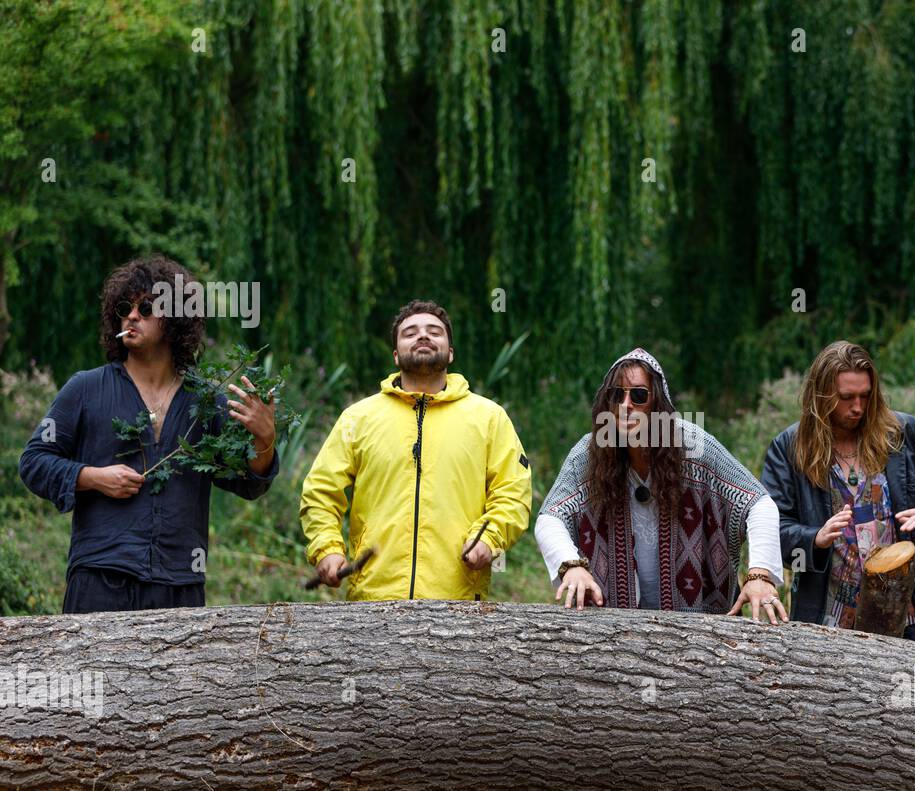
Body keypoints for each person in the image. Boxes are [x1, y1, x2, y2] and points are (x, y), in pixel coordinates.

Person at [19, 255, 279, 613]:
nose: (131, 316)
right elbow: (33, 462)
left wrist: (264, 440)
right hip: (99, 578)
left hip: (180, 584)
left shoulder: (206, 402)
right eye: (123, 308)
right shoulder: (85, 389)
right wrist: (91, 477)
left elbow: (248, 482)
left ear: (175, 318)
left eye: (145, 307)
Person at [760, 341, 915, 642]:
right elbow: (771, 529)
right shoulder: (790, 448)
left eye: (866, 395)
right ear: (821, 396)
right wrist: (814, 538)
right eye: (846, 398)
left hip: (908, 621)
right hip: (826, 623)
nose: (858, 407)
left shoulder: (909, 436)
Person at [300, 299, 531, 600]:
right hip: (373, 601)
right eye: (410, 333)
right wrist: (327, 548)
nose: (423, 335)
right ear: (396, 356)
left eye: (434, 331)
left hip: (459, 604)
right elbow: (321, 491)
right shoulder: (357, 418)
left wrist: (488, 538)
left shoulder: (489, 418)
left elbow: (513, 492)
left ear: (451, 352)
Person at [536, 347, 787, 622]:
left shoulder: (693, 446)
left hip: (700, 628)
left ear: (658, 404)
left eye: (638, 395)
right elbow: (550, 517)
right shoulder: (589, 454)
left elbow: (758, 504)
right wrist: (570, 565)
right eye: (616, 395)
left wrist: (759, 575)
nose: (625, 405)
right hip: (610, 627)